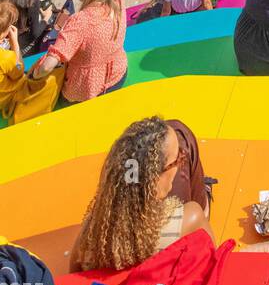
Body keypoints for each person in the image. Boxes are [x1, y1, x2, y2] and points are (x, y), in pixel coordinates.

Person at [70, 117, 215, 273]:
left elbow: (74, 273)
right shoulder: (191, 218)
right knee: (182, 134)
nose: (181, 160)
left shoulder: (90, 236)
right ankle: (204, 191)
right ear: (155, 179)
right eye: (179, 159)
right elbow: (216, 262)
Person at [30, 0, 127, 105]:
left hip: (87, 90)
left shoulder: (80, 21)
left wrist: (34, 75)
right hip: (118, 75)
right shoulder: (118, 2)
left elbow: (48, 65)